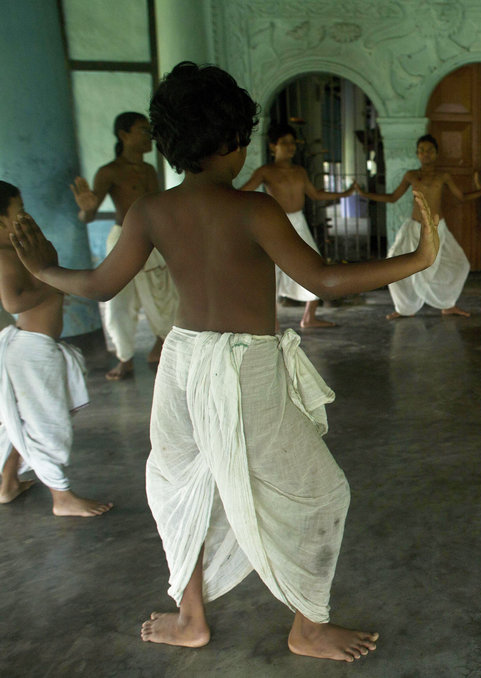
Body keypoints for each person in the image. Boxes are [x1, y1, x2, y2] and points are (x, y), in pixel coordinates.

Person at [10, 62, 440, 662]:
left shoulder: (151, 211)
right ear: (234, 142)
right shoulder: (254, 209)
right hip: (245, 369)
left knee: (179, 482)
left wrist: (43, 269)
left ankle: (192, 617)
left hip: (182, 364)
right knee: (318, 492)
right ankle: (306, 626)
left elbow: (102, 285)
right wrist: (418, 258)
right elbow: (322, 279)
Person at [0, 181, 112, 517]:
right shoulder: (4, 256)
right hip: (32, 351)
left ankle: (6, 484)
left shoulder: (19, 251)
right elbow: (13, 300)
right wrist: (53, 284)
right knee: (47, 424)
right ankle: (61, 498)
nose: (25, 217)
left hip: (36, 348)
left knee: (24, 422)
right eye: (18, 211)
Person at [71, 112, 179, 380]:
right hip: (122, 238)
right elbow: (89, 215)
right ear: (123, 135)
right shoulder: (109, 172)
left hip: (154, 239)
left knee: (163, 295)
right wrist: (85, 209)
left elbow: (159, 207)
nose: (149, 136)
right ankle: (125, 358)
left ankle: (161, 343)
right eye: (143, 130)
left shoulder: (150, 170)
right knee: (119, 302)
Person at [239, 122, 356, 328]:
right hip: (275, 223)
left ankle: (309, 317)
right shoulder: (265, 171)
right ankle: (272, 323)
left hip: (299, 221)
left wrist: (344, 194)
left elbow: (315, 194)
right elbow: (245, 191)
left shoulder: (300, 171)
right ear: (273, 146)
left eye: (292, 143)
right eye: (285, 143)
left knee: (314, 265)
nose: (290, 147)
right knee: (272, 272)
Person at [356, 134, 481, 319]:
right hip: (413, 228)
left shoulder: (443, 176)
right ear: (417, 154)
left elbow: (461, 197)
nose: (426, 154)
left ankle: (448, 305)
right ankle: (403, 308)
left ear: (437, 154)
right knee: (394, 263)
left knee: (460, 264)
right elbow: (393, 197)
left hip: (437, 229)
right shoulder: (411, 175)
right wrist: (364, 194)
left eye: (430, 151)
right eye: (422, 151)